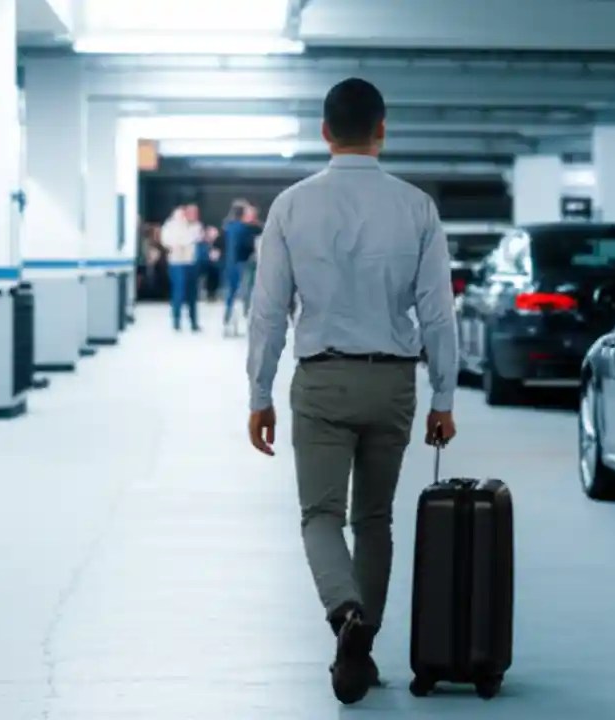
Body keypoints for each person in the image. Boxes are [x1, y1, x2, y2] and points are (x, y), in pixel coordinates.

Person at [245, 77, 458, 705]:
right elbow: (438, 313)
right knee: (374, 519)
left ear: (324, 131)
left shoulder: (291, 205)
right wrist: (443, 397)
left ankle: (345, 617)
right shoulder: (417, 207)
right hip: (393, 381)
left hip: (322, 381)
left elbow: (268, 310)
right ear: (383, 129)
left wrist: (259, 392)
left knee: (319, 515)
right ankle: (361, 649)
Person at [161, 203, 215, 332]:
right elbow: (168, 241)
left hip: (192, 262)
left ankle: (194, 322)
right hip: (177, 263)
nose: (195, 216)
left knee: (192, 293)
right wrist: (186, 241)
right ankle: (176, 321)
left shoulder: (196, 226)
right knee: (178, 292)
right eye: (192, 213)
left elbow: (200, 239)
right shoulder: (171, 225)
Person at [222, 201, 261, 335]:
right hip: (241, 265)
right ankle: (236, 323)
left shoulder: (232, 227)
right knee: (242, 295)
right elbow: (246, 246)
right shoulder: (241, 228)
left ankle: (229, 323)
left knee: (233, 294)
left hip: (234, 265)